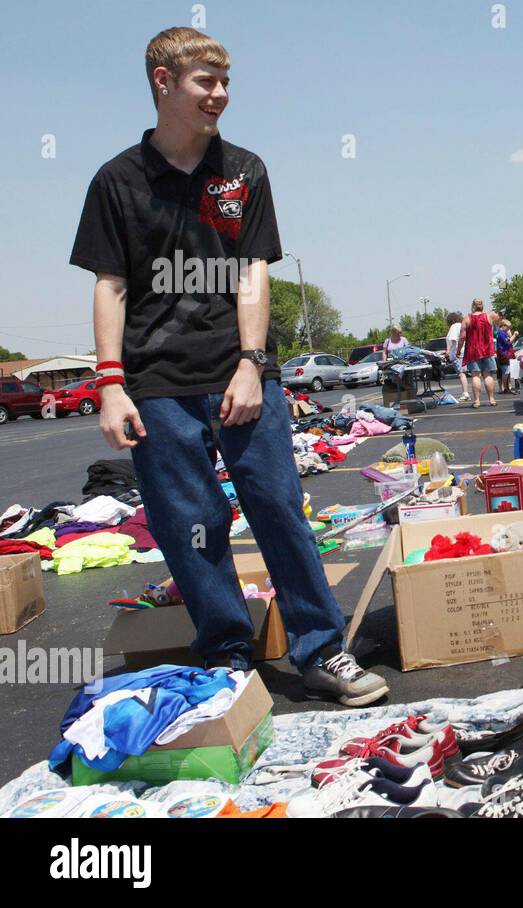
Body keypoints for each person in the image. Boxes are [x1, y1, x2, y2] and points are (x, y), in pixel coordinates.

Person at [69, 28, 388, 705]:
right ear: (162, 82)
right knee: (194, 526)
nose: (220, 95)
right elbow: (111, 286)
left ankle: (321, 650)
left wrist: (251, 364)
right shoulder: (118, 181)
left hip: (240, 374)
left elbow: (251, 273)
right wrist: (109, 384)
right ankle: (227, 660)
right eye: (204, 82)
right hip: (155, 385)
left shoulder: (241, 172)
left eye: (225, 82)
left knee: (279, 508)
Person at [457, 299, 498, 408]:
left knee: (476, 376)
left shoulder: (467, 319)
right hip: (488, 350)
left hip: (473, 350)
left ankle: (477, 401)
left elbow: (462, 337)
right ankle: (492, 399)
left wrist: (458, 350)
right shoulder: (489, 316)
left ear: (473, 306)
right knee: (488, 375)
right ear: (482, 306)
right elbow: (499, 322)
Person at [444, 311, 470, 402]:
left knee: (461, 374)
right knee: (464, 373)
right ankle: (466, 392)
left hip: (458, 354)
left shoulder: (454, 327)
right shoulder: (462, 325)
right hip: (464, 352)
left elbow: (453, 340)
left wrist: (448, 351)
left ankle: (465, 393)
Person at [494, 315, 516, 393]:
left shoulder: (503, 332)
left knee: (507, 371)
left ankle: (507, 387)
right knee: (506, 371)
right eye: (508, 327)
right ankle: (505, 387)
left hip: (505, 354)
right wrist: (514, 335)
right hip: (504, 354)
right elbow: (509, 341)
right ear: (503, 326)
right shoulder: (502, 333)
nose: (508, 329)